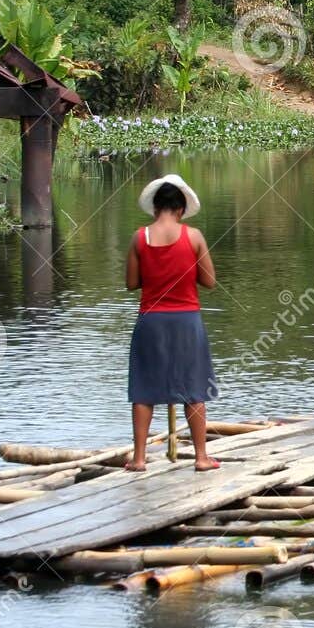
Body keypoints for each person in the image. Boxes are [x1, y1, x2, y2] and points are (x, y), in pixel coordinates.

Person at [125, 174, 219, 472]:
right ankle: (202, 458)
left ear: (156, 209)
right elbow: (210, 281)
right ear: (180, 209)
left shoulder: (139, 238)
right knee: (193, 387)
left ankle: (139, 459)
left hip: (151, 320)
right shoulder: (194, 237)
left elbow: (131, 283)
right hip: (186, 320)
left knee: (144, 388)